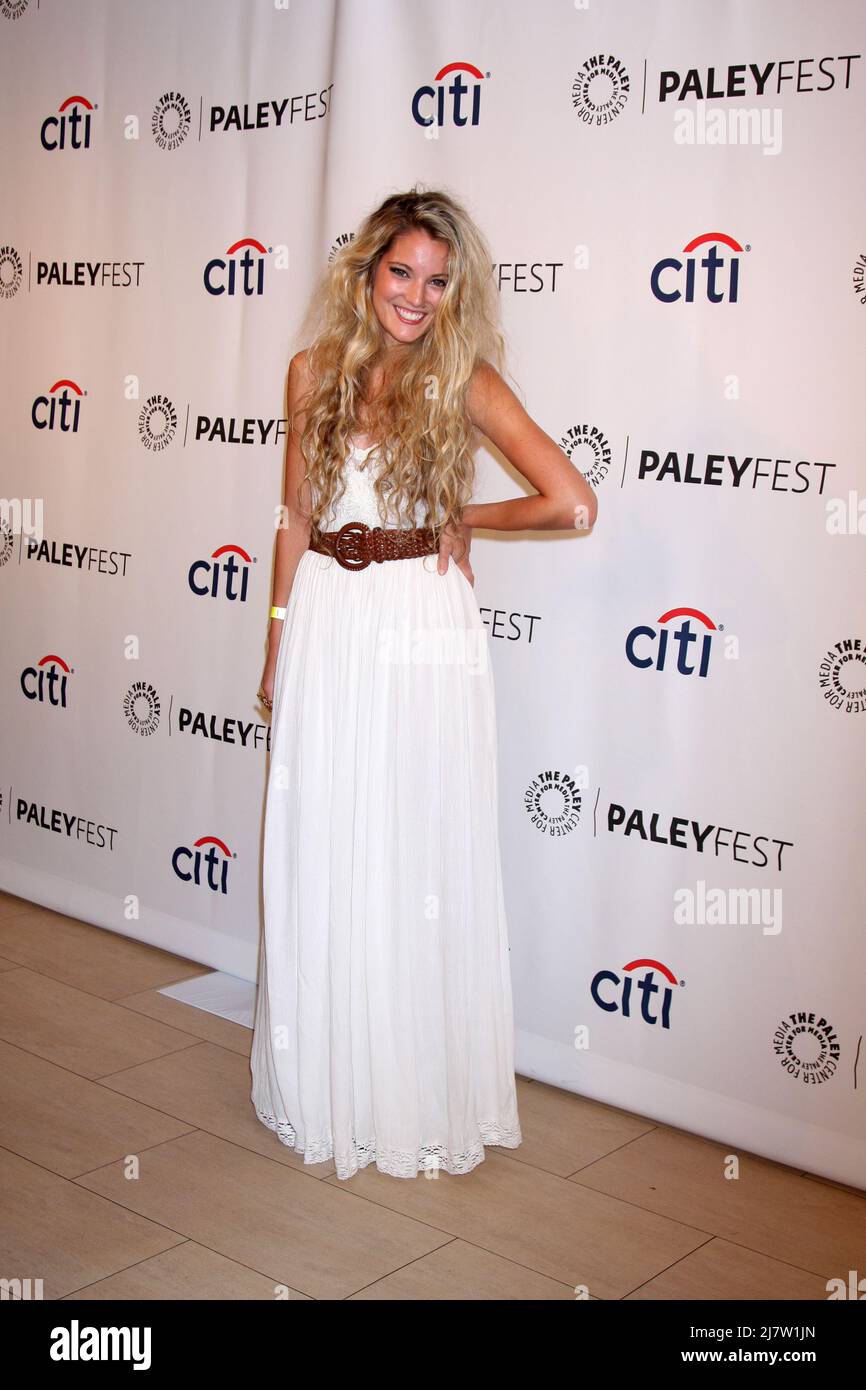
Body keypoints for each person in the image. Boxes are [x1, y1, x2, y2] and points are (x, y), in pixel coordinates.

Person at [249, 187, 598, 1181]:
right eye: (400, 272)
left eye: (436, 281)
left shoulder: (463, 381)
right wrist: (276, 639)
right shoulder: (308, 372)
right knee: (329, 838)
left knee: (411, 845)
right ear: (366, 272)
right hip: (325, 612)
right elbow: (290, 518)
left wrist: (467, 521)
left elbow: (570, 502)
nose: (415, 296)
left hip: (417, 619)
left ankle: (406, 1083)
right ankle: (331, 1077)